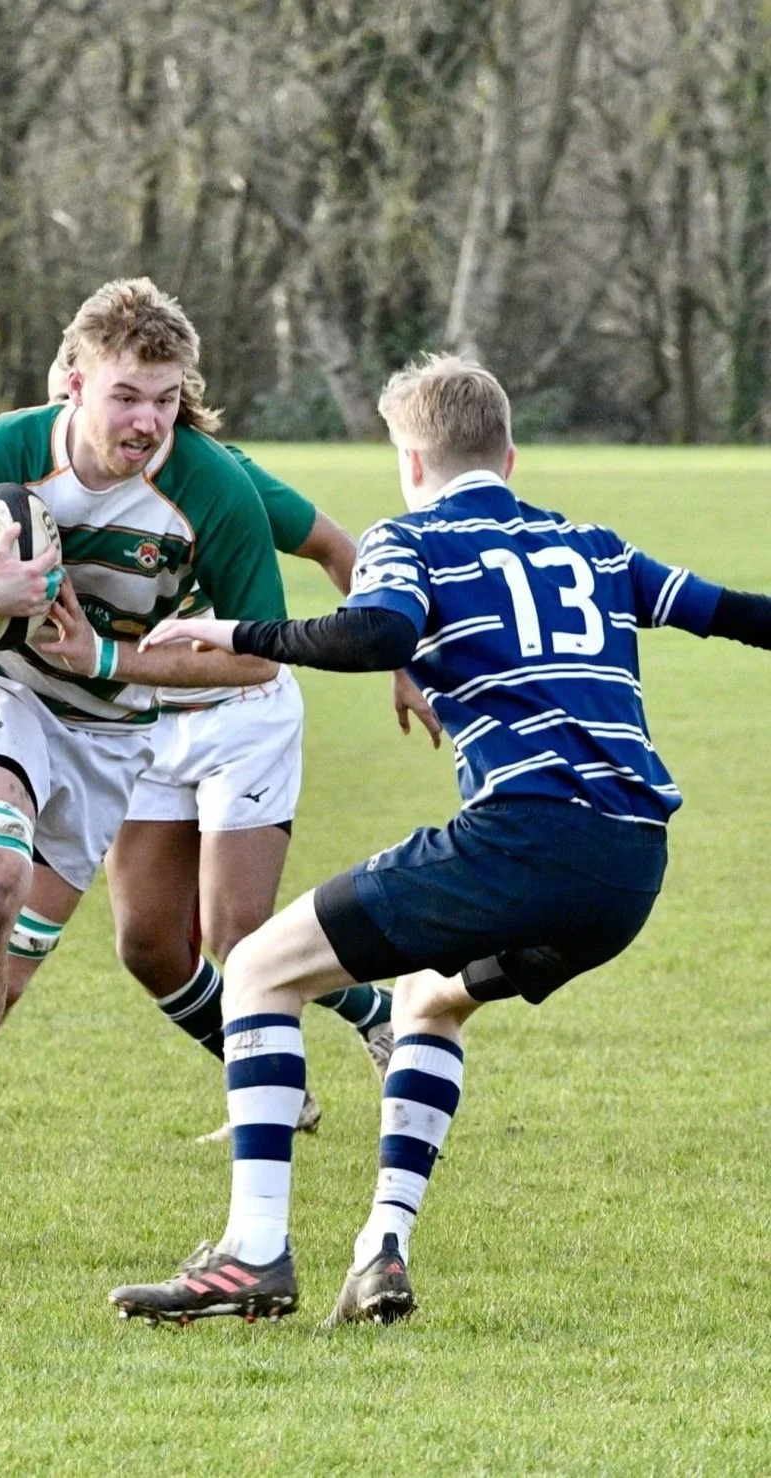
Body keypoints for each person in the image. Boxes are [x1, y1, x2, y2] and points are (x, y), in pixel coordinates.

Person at [107, 354, 771, 1326]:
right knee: (427, 998)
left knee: (254, 970)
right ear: (509, 456)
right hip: (629, 867)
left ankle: (252, 1254)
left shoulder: (408, 536)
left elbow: (377, 633)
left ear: (409, 462)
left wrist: (237, 632)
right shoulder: (591, 546)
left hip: (521, 838)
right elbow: (737, 615)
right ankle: (380, 1249)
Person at [0, 279, 289, 1239]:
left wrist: (109, 659)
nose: (148, 422)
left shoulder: (211, 488)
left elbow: (260, 654)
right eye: (126, 396)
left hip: (107, 735)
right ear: (74, 383)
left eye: (165, 398)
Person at [76, 350, 409, 1133]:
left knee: (238, 935)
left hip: (242, 716)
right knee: (147, 945)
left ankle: (367, 1021)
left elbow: (336, 547)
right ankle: (279, 1081)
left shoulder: (222, 478)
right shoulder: (58, 489)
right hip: (145, 722)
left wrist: (402, 663)